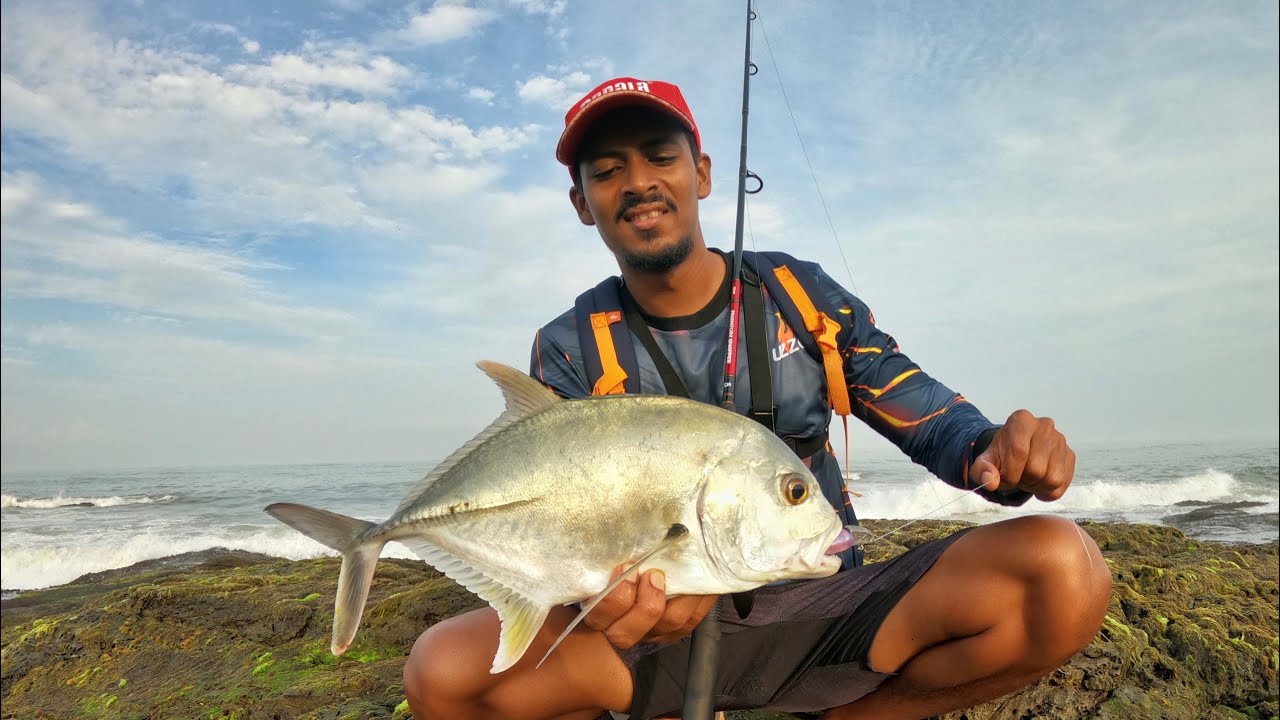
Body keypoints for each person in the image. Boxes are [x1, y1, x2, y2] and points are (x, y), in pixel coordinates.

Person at [402, 77, 1111, 720]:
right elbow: (564, 532)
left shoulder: (800, 300)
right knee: (444, 674)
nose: (639, 183)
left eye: (660, 157)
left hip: (826, 607)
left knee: (1062, 569)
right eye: (608, 171)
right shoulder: (571, 346)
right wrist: (605, 606)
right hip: (653, 644)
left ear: (702, 174)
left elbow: (926, 414)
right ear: (581, 203)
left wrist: (995, 451)